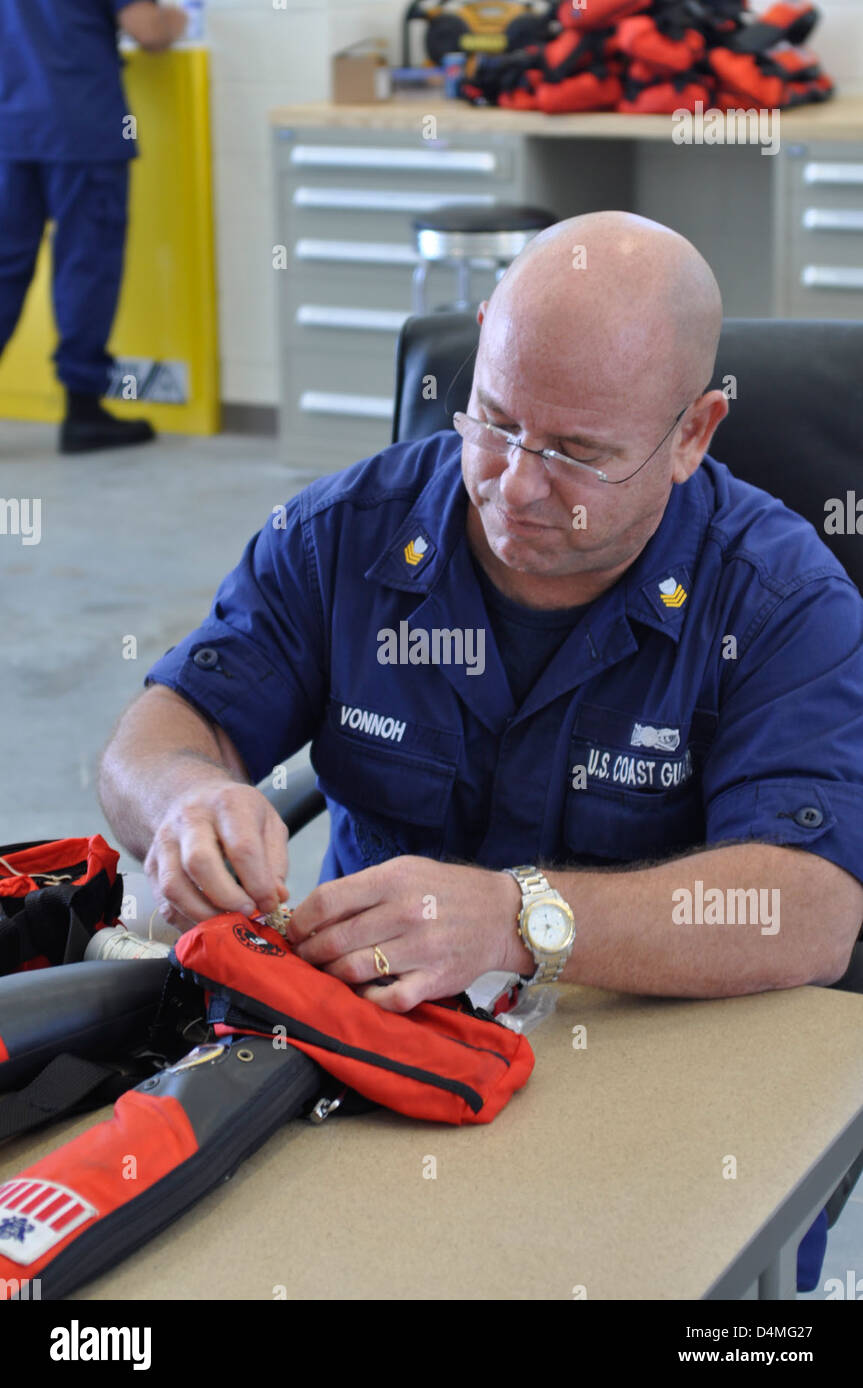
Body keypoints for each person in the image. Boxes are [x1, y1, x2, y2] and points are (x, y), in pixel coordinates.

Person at [100, 209, 863, 1294]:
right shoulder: (343, 536)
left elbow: (811, 907)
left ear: (692, 433)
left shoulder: (780, 601)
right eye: (495, 422)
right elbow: (162, 730)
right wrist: (185, 799)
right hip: (365, 1065)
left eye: (576, 454)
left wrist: (520, 918)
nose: (512, 484)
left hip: (654, 1091)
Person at [0, 0, 187, 454]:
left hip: (9, 128)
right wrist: (175, 18)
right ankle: (83, 410)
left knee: (4, 268)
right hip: (81, 127)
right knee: (87, 265)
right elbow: (150, 33)